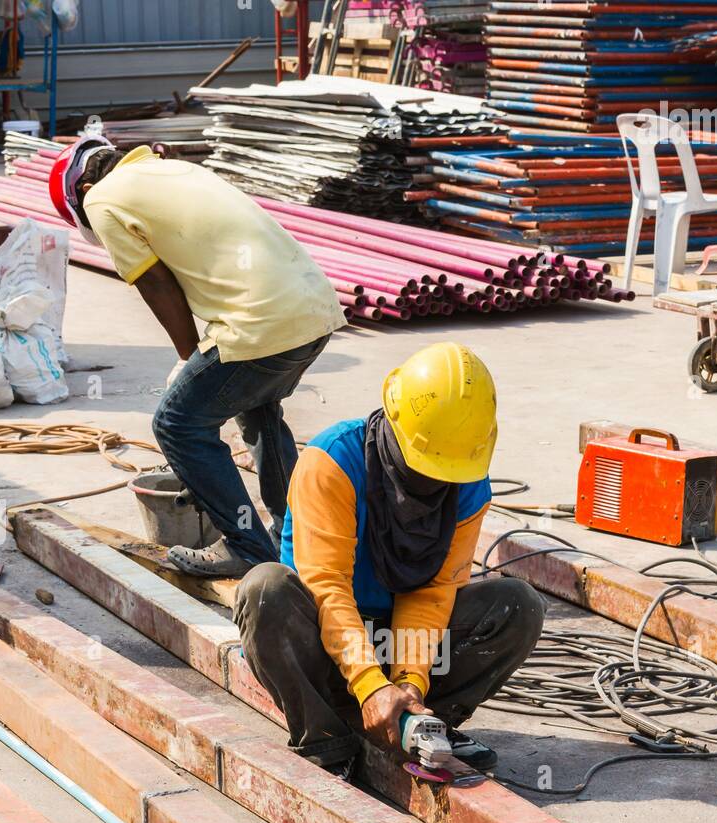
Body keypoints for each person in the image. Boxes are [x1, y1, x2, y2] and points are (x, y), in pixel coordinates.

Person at [233, 342, 547, 778]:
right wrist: (367, 685)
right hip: (323, 640)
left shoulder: (467, 484)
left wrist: (407, 686)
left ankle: (423, 722)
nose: (435, 482)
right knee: (264, 590)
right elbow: (328, 587)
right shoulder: (333, 461)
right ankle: (326, 740)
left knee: (517, 605)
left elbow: (433, 592)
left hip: (397, 641)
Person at [49, 133, 345, 578]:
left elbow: (157, 284)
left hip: (261, 322)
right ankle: (296, 535)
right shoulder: (174, 170)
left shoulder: (101, 200)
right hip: (314, 311)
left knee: (177, 423)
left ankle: (247, 547)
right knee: (258, 408)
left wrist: (189, 356)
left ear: (82, 194)